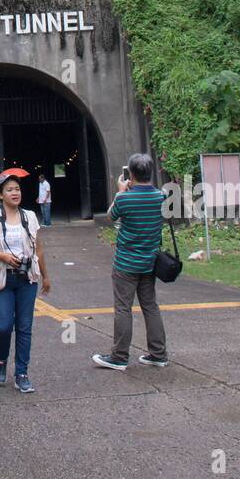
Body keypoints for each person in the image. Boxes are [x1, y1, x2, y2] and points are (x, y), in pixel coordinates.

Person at [0, 171, 51, 392]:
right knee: (4, 325)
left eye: (17, 189)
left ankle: (22, 373)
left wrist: (45, 276)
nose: (15, 193)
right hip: (2, 278)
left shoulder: (30, 216)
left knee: (25, 327)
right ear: (0, 194)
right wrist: (4, 257)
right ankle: (1, 360)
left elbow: (40, 249)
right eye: (9, 189)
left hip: (27, 278)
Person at [92, 152, 169, 371]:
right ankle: (158, 353)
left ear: (131, 174)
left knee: (123, 308)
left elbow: (110, 216)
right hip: (150, 262)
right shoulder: (159, 197)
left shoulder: (125, 198)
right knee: (150, 306)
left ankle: (119, 356)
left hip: (126, 262)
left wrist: (120, 192)